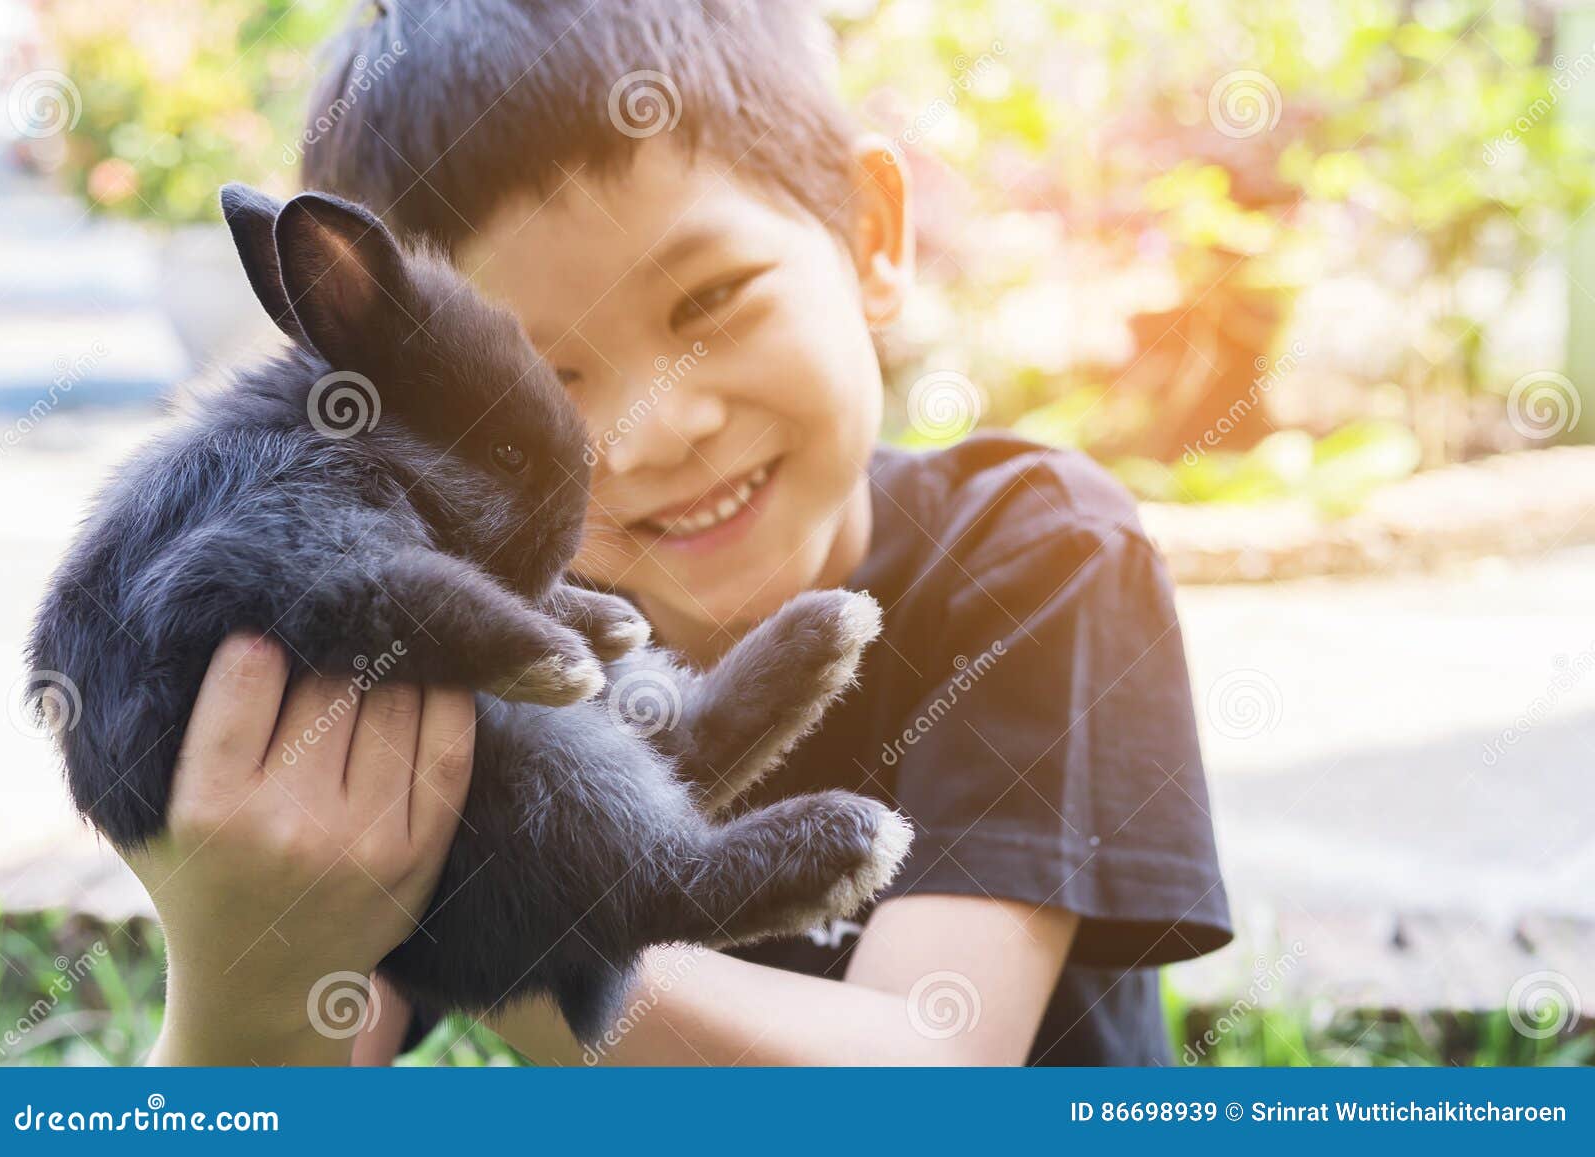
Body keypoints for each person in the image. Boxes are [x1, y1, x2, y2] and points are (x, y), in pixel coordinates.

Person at [133, 0, 1231, 1067]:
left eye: (709, 303)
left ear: (869, 235)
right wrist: (248, 961)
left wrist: (470, 923)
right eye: (543, 384)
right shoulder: (450, 637)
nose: (648, 433)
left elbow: (929, 1071)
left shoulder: (1036, 552)